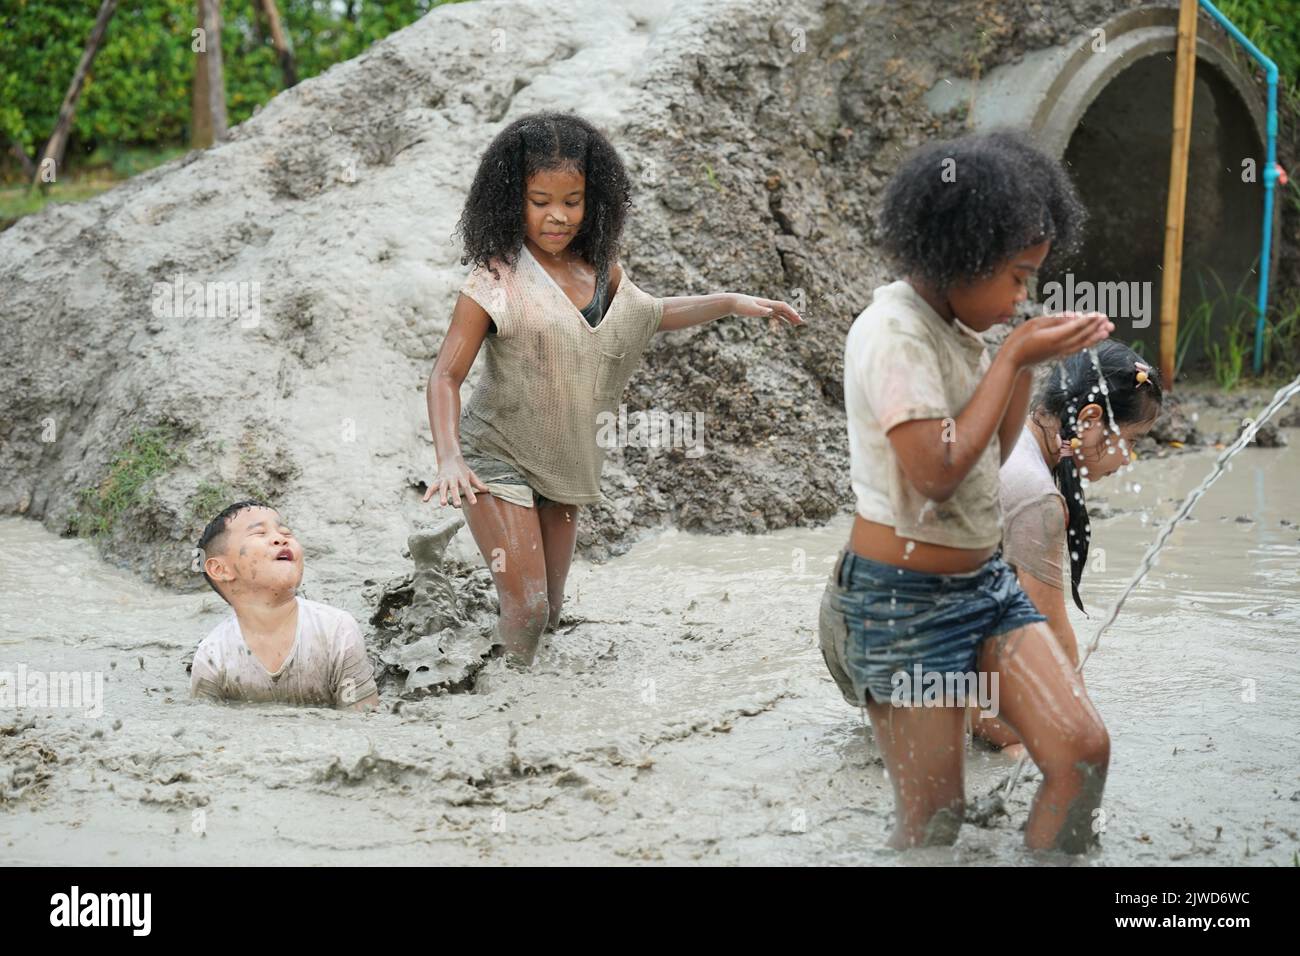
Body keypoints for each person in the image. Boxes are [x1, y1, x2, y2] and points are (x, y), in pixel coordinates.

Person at [817, 129, 1114, 852]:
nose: (1022, 295)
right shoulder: (893, 333)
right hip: (901, 602)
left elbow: (992, 456)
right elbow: (938, 470)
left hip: (984, 586)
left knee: (1081, 752)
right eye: (1016, 276)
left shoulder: (961, 331)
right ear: (962, 253)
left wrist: (1018, 365)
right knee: (934, 823)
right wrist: (1014, 352)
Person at [425, 110, 802, 664]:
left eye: (572, 200)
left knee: (550, 612)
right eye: (539, 200)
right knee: (527, 611)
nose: (557, 216)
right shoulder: (494, 279)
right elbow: (445, 376)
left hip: (568, 460)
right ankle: (507, 712)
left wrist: (728, 303)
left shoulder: (602, 270)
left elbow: (649, 314)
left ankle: (515, 669)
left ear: (592, 198)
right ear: (512, 200)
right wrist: (450, 458)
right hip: (494, 456)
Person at [976, 342, 1164, 754]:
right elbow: (1052, 635)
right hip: (898, 664)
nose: (1129, 459)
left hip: (864, 629)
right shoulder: (1036, 493)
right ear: (1090, 418)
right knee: (1043, 740)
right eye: (1131, 440)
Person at [190, 500, 379, 710]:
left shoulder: (337, 631)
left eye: (287, 533)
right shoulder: (213, 656)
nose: (280, 539)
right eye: (259, 533)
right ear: (220, 569)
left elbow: (362, 721)